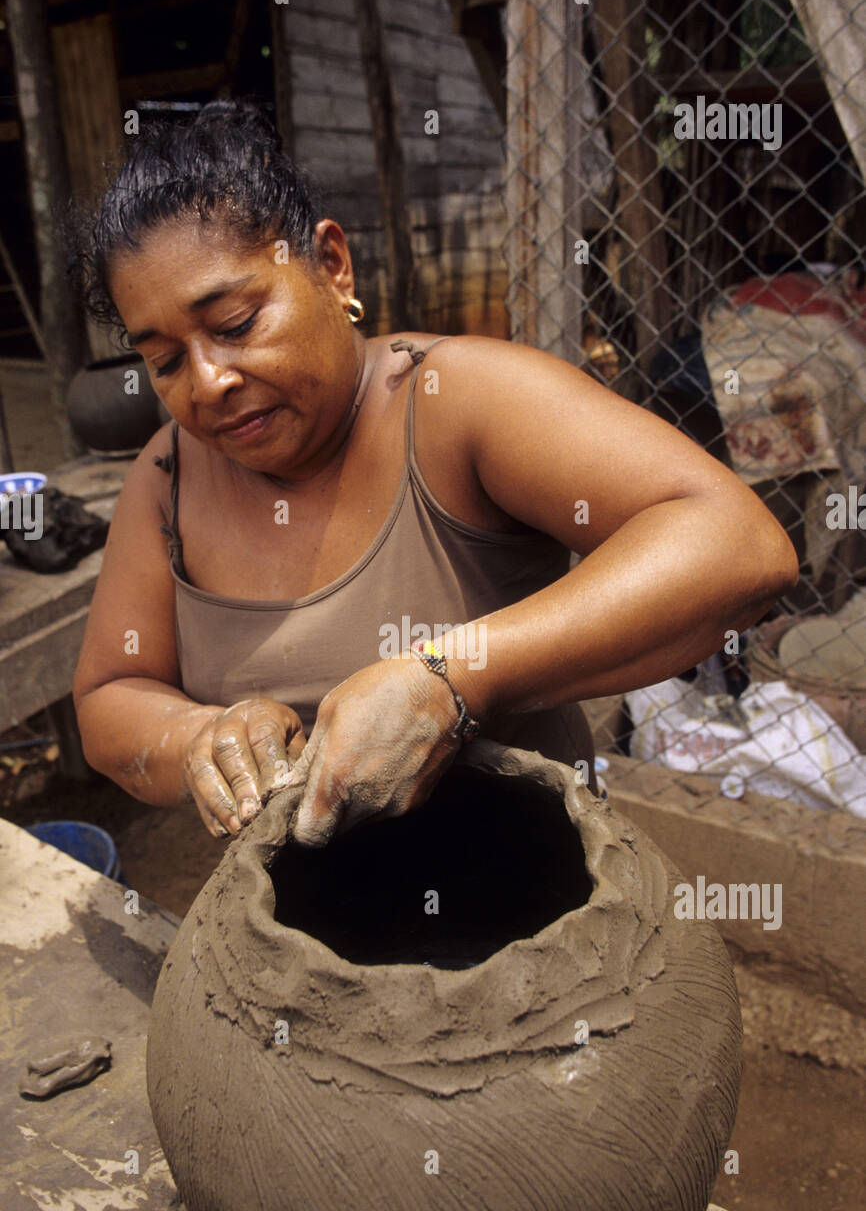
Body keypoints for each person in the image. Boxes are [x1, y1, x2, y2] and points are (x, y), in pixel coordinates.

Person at [72, 102, 798, 847]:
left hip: (526, 895)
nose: (208, 381)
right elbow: (110, 693)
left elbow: (738, 544)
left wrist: (450, 680)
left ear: (331, 266)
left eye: (235, 325)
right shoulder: (167, 474)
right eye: (164, 360)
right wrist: (201, 737)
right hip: (284, 917)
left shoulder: (456, 400)